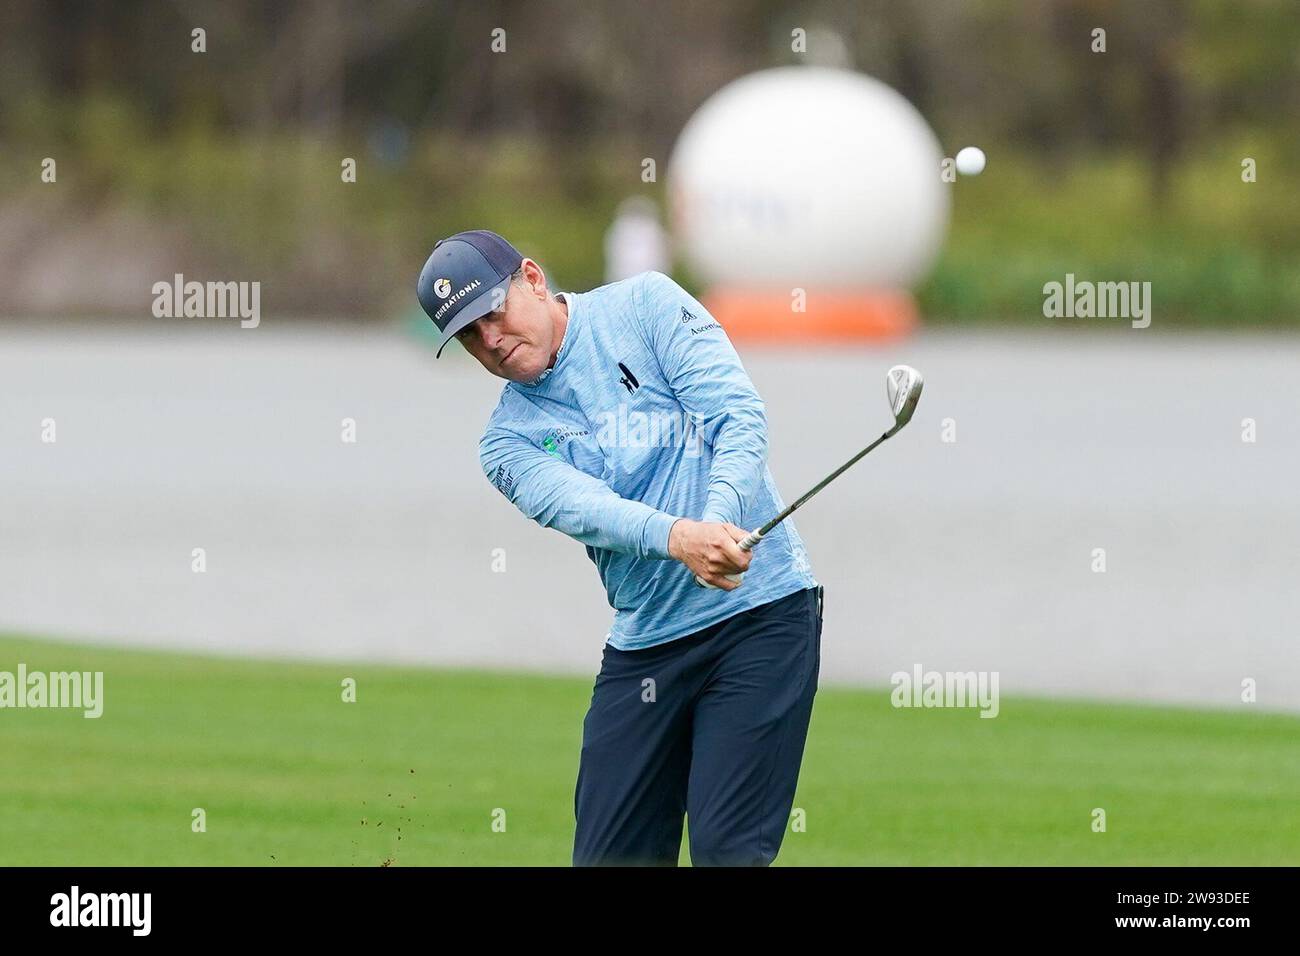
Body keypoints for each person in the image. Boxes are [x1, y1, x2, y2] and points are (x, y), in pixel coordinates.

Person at [416, 229, 823, 866]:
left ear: (532, 278)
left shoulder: (646, 307)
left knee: (728, 852)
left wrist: (717, 521)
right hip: (648, 645)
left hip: (761, 618)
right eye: (468, 335)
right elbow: (592, 512)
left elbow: (736, 415)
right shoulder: (505, 445)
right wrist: (683, 538)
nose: (489, 340)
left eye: (491, 313)